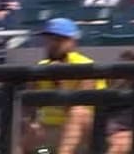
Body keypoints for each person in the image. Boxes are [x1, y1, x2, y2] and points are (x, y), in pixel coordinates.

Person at [23, 18, 103, 154]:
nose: (52, 44)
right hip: (49, 130)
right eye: (49, 39)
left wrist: (60, 81)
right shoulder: (41, 67)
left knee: (77, 113)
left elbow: (80, 105)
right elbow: (28, 105)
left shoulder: (85, 65)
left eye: (58, 40)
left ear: (72, 41)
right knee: (29, 133)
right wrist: (30, 122)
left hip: (85, 132)